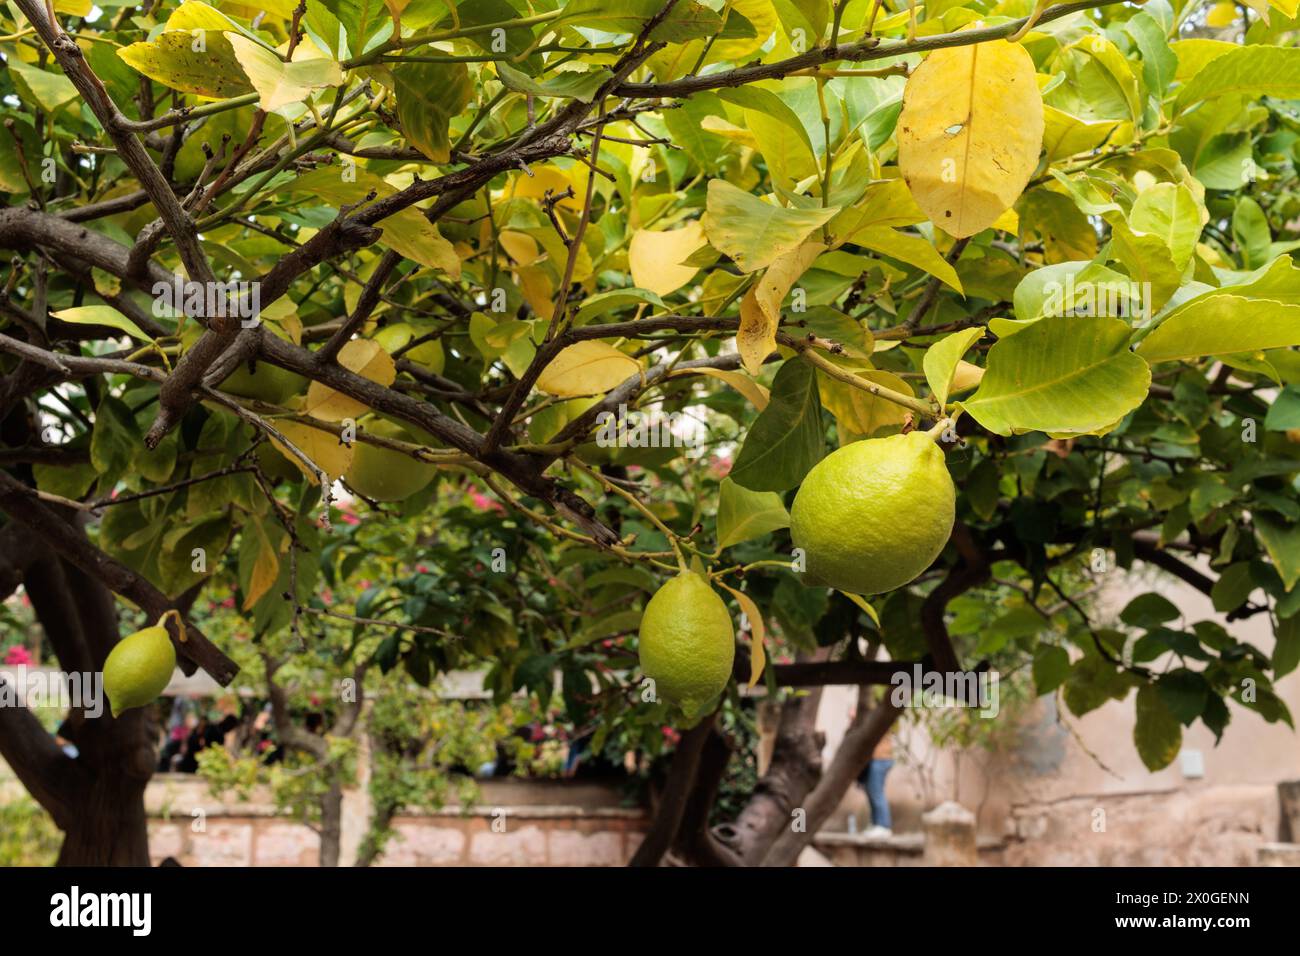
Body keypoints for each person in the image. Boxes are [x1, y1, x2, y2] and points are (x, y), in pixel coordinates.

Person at [858, 734, 895, 837]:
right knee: (871, 792)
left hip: (881, 758)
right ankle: (876, 824)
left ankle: (884, 826)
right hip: (874, 759)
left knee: (876, 792)